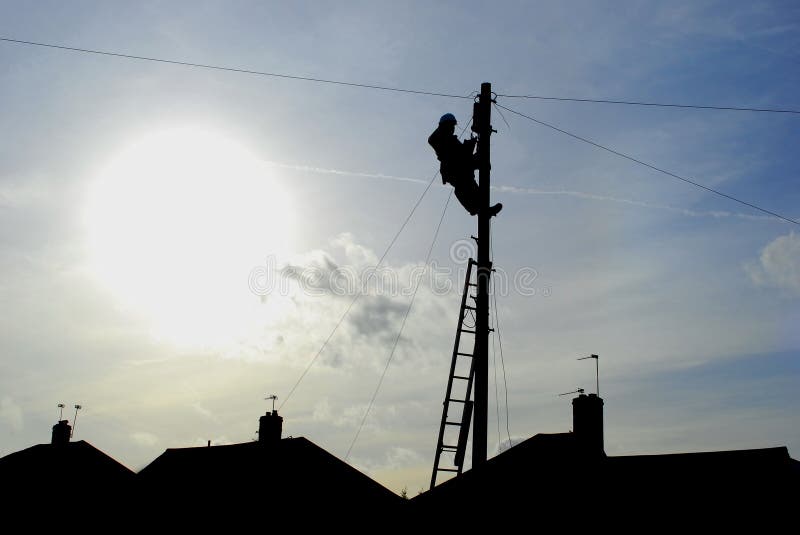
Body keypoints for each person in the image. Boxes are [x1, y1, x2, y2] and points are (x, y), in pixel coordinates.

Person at [428, 113, 502, 217]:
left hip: (462, 168)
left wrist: (474, 143)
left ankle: (483, 209)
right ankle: (478, 209)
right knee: (463, 187)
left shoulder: (451, 140)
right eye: (451, 125)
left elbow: (464, 154)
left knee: (472, 185)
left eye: (453, 126)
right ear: (444, 125)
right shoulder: (440, 139)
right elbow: (433, 141)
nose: (453, 128)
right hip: (454, 169)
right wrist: (470, 145)